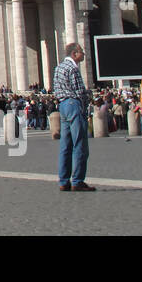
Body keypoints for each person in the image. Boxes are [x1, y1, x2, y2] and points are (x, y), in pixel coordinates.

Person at [53, 43, 94, 191]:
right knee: (80, 144)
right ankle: (77, 180)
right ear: (74, 53)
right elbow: (79, 91)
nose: (83, 54)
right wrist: (86, 105)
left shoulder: (59, 68)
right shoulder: (73, 69)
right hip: (74, 104)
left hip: (63, 105)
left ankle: (63, 181)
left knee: (65, 145)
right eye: (81, 52)